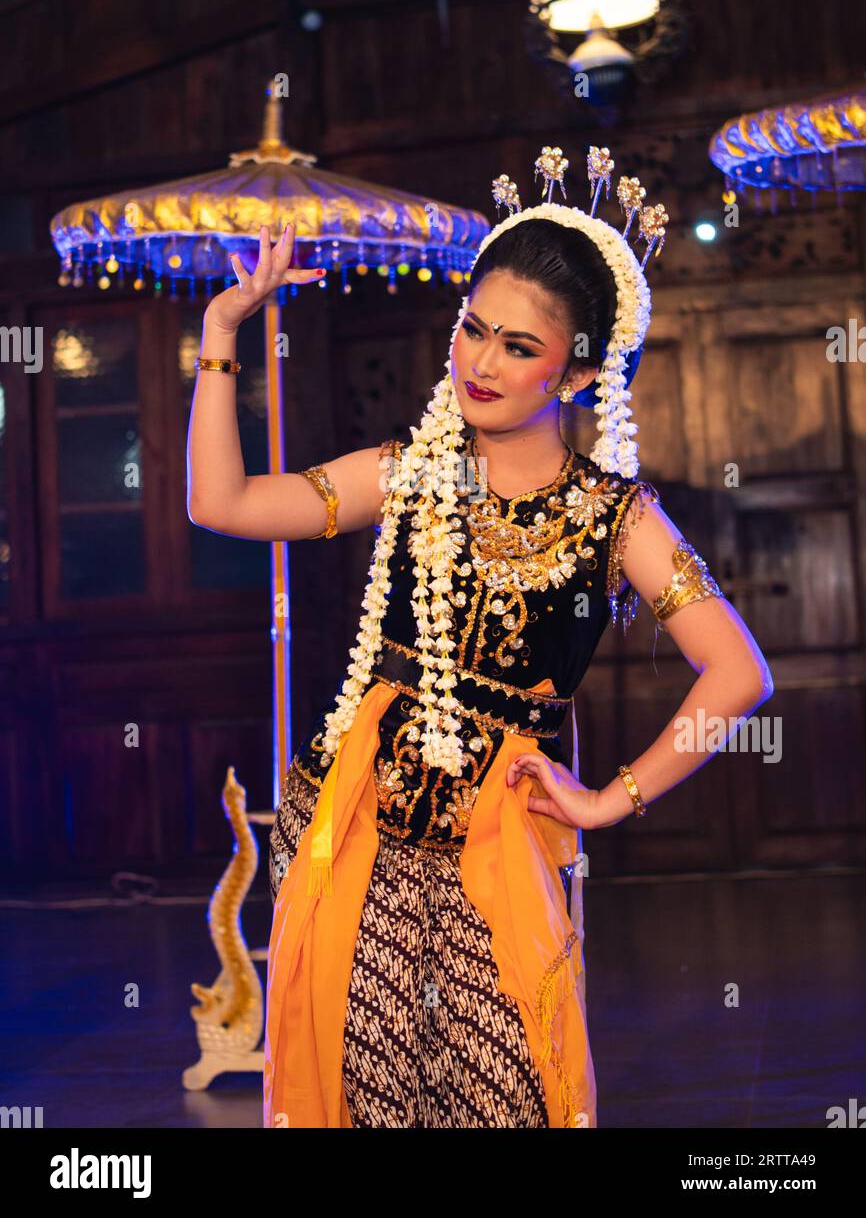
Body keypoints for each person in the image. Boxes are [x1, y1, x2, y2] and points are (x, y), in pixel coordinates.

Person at [187, 145, 774, 1129]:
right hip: (362, 829)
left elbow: (736, 672)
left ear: (580, 372)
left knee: (499, 1096)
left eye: (516, 345)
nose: (479, 360)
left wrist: (605, 800)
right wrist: (219, 333)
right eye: (471, 329)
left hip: (496, 841)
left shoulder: (613, 518)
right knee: (362, 1093)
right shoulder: (407, 471)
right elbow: (223, 501)